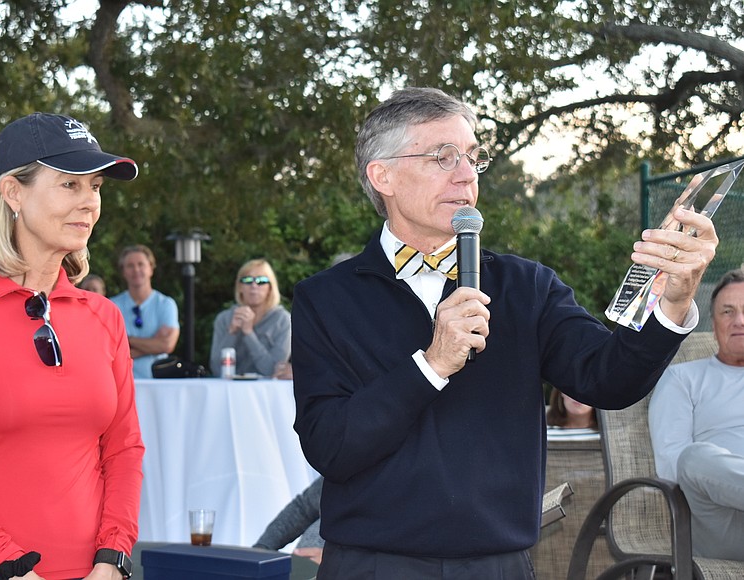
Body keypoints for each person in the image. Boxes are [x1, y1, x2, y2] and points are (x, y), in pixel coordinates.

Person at [290, 87, 718, 579]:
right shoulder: (326, 299)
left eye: (473, 157)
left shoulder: (527, 286)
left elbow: (609, 380)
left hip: (500, 566)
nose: (466, 174)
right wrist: (432, 365)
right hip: (371, 566)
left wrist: (674, 301)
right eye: (442, 157)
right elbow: (331, 447)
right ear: (381, 175)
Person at [0, 112, 145, 580]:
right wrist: (5, 564)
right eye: (70, 185)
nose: (89, 204)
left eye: (95, 188)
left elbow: (125, 449)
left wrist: (113, 557)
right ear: (13, 193)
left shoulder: (105, 317)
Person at [649, 268, 744, 561]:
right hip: (722, 522)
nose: (739, 320)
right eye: (728, 312)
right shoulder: (682, 379)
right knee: (694, 458)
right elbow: (673, 468)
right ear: (712, 325)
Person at [209, 259, 291, 377]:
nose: (254, 286)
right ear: (240, 287)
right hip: (229, 391)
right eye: (247, 280)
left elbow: (273, 371)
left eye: (261, 281)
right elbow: (217, 370)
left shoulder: (283, 321)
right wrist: (232, 333)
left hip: (266, 393)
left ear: (270, 288)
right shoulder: (224, 319)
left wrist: (249, 334)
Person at [111, 245, 180, 379]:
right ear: (123, 271)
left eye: (141, 264)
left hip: (158, 381)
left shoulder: (166, 304)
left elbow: (166, 345)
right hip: (121, 381)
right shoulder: (112, 306)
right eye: (130, 266)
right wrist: (153, 344)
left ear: (151, 269)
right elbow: (110, 352)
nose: (136, 270)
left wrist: (126, 340)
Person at [253, 477, 324, 565]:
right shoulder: (338, 471)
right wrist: (262, 548)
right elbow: (303, 509)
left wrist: (337, 559)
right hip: (303, 569)